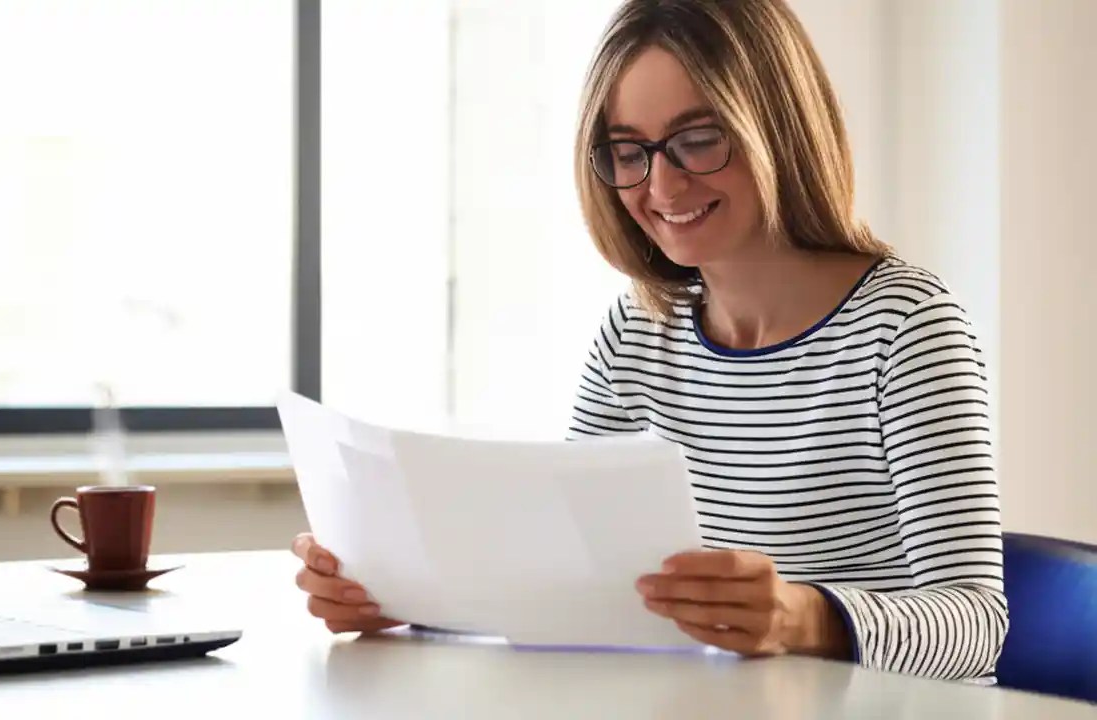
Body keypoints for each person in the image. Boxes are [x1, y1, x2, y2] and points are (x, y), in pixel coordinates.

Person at [291, 0, 1006, 682]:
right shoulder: (636, 335)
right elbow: (565, 586)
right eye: (628, 151)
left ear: (778, 128)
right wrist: (403, 600)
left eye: (698, 140)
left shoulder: (906, 327)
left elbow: (974, 622)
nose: (661, 184)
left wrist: (800, 618)